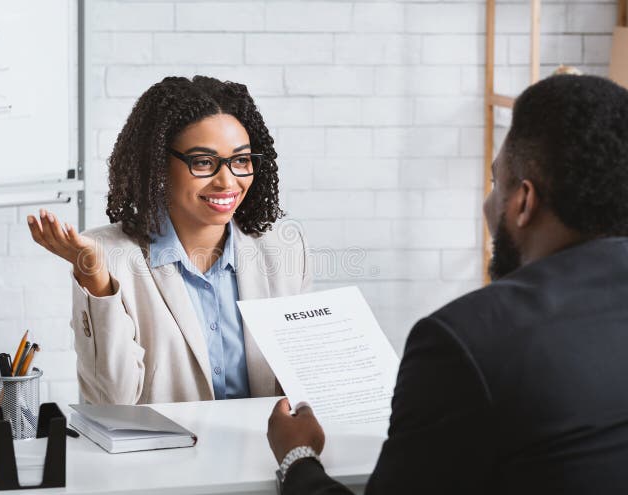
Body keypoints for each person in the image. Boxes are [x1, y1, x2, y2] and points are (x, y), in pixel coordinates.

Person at [267, 74, 628, 494]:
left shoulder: (465, 342)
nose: (488, 204)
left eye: (496, 184)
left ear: (524, 202)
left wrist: (297, 458)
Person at [27, 76, 310, 405]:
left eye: (241, 161)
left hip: (264, 438)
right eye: (203, 162)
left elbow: (302, 382)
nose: (227, 181)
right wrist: (96, 280)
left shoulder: (285, 249)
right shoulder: (106, 256)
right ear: (158, 164)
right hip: (166, 442)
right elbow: (113, 403)